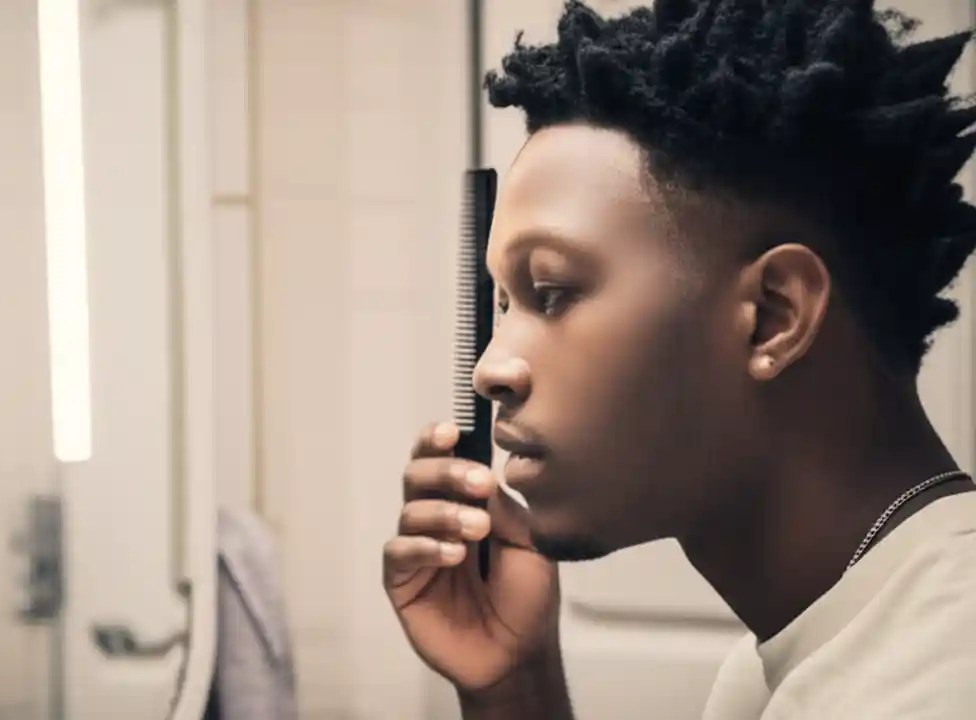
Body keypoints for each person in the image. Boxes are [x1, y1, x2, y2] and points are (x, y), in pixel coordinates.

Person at [382, 1, 976, 717]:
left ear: (774, 318)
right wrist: (515, 682)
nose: (491, 370)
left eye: (552, 291)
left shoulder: (934, 684)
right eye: (505, 305)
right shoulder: (794, 660)